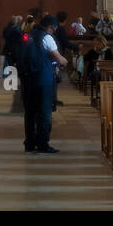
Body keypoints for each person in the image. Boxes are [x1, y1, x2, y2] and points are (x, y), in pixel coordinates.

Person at [20, 14, 66, 154]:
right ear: (49, 27)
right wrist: (65, 62)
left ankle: (29, 144)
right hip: (43, 80)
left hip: (27, 79)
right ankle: (42, 144)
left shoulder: (27, 35)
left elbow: (22, 51)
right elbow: (59, 59)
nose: (54, 31)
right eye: (54, 28)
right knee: (44, 113)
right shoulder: (47, 37)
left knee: (30, 113)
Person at [53, 13, 70, 108]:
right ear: (65, 20)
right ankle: (53, 99)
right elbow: (65, 43)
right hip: (58, 55)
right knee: (55, 78)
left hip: (54, 55)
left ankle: (54, 99)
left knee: (55, 78)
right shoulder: (60, 28)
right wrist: (76, 46)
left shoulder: (55, 28)